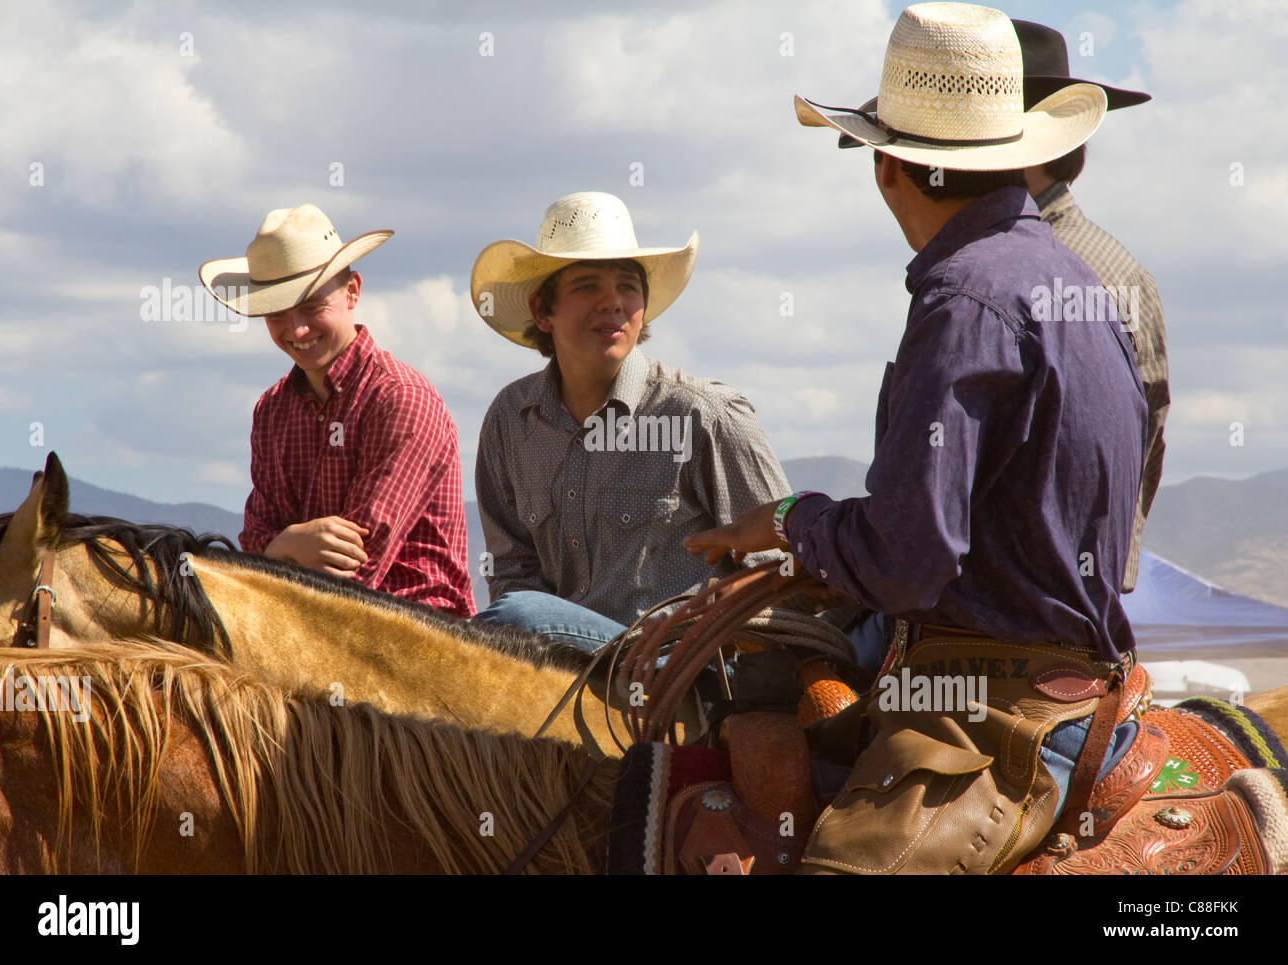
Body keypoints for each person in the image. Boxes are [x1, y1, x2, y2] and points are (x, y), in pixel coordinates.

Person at [686, 3, 1147, 873]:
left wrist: (796, 523)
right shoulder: (1076, 281)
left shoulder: (964, 300)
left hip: (989, 715)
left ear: (889, 165)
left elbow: (909, 557)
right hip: (1071, 682)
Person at [469, 191, 790, 649]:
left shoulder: (704, 416)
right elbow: (512, 570)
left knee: (512, 617)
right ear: (543, 311)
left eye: (627, 287)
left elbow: (782, 571)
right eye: (587, 287)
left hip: (677, 666)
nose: (613, 303)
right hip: (559, 669)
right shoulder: (511, 420)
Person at [200, 203, 475, 616]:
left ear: (352, 292)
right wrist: (290, 543)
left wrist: (279, 549)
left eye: (311, 307)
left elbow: (355, 568)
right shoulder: (272, 410)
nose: (296, 329)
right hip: (311, 623)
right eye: (276, 313)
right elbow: (256, 541)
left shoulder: (401, 399)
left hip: (419, 632)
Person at [1013, 18, 1168, 593]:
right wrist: (1113, 565)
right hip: (1081, 587)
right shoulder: (1121, 267)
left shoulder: (1017, 267)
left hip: (1022, 594)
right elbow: (1150, 425)